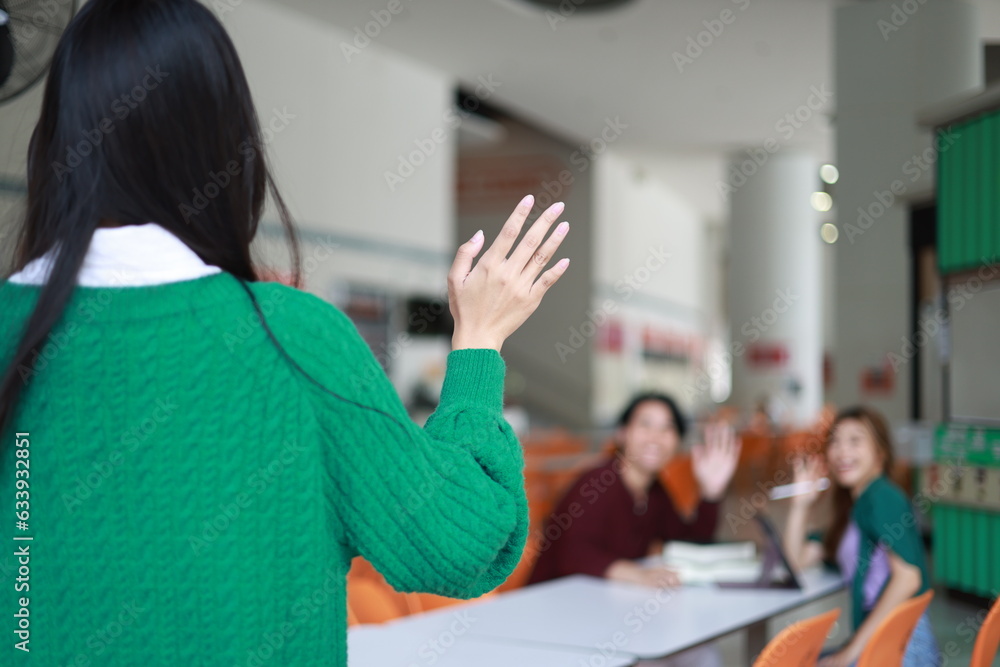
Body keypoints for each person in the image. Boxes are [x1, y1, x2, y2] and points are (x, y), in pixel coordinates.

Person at [0, 1, 570, 665]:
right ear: (225, 150)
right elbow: (457, 542)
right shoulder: (293, 340)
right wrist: (478, 343)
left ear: (55, 147)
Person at [527, 392, 740, 667]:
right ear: (622, 434)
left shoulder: (655, 491)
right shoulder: (596, 484)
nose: (656, 436)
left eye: (667, 428)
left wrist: (711, 493)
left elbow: (687, 542)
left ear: (676, 442)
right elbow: (573, 554)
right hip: (553, 619)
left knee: (703, 652)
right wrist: (635, 574)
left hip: (606, 614)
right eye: (645, 425)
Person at [783, 406, 940, 667]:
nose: (842, 451)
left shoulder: (883, 498)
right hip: (883, 636)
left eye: (855, 441)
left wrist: (849, 653)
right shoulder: (854, 512)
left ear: (881, 452)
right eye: (835, 442)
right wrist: (800, 506)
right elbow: (794, 563)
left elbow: (908, 579)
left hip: (903, 643)